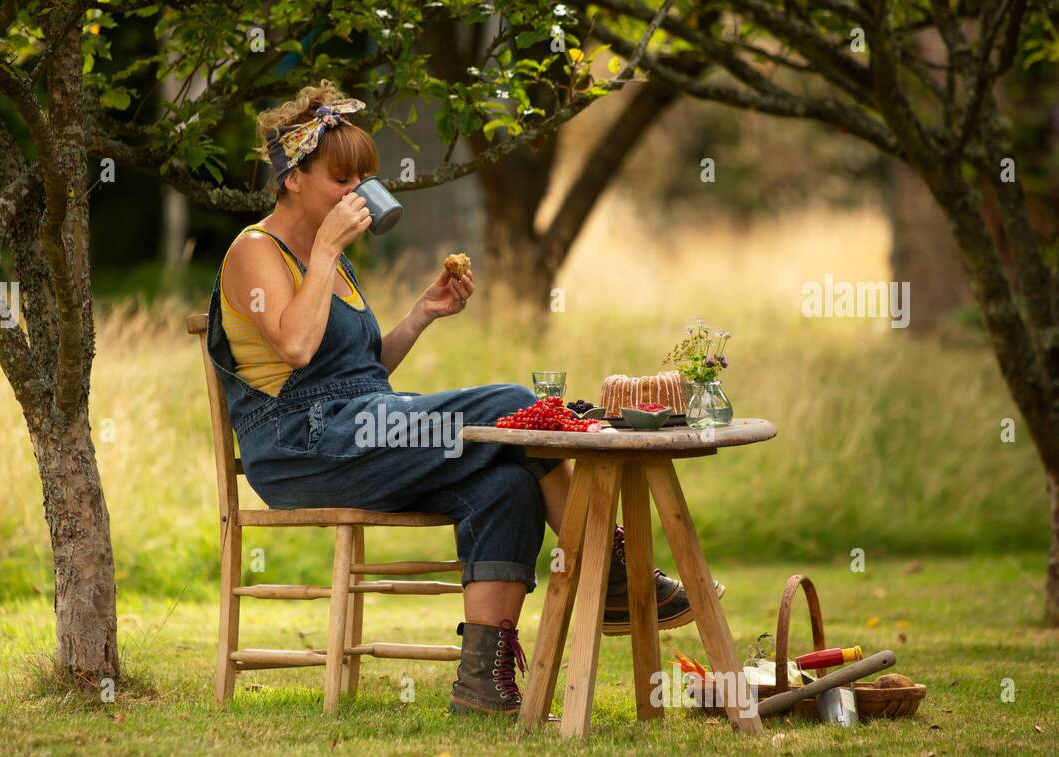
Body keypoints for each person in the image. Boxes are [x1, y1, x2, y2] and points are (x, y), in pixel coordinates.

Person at [204, 81, 716, 717]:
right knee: (506, 400)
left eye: (364, 177)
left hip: (361, 430)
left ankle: (482, 682)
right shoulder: (255, 251)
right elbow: (298, 350)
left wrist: (420, 314)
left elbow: (360, 373)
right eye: (343, 178)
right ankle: (611, 570)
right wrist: (331, 249)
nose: (357, 193)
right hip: (299, 447)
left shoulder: (329, 261)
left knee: (506, 481)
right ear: (292, 179)